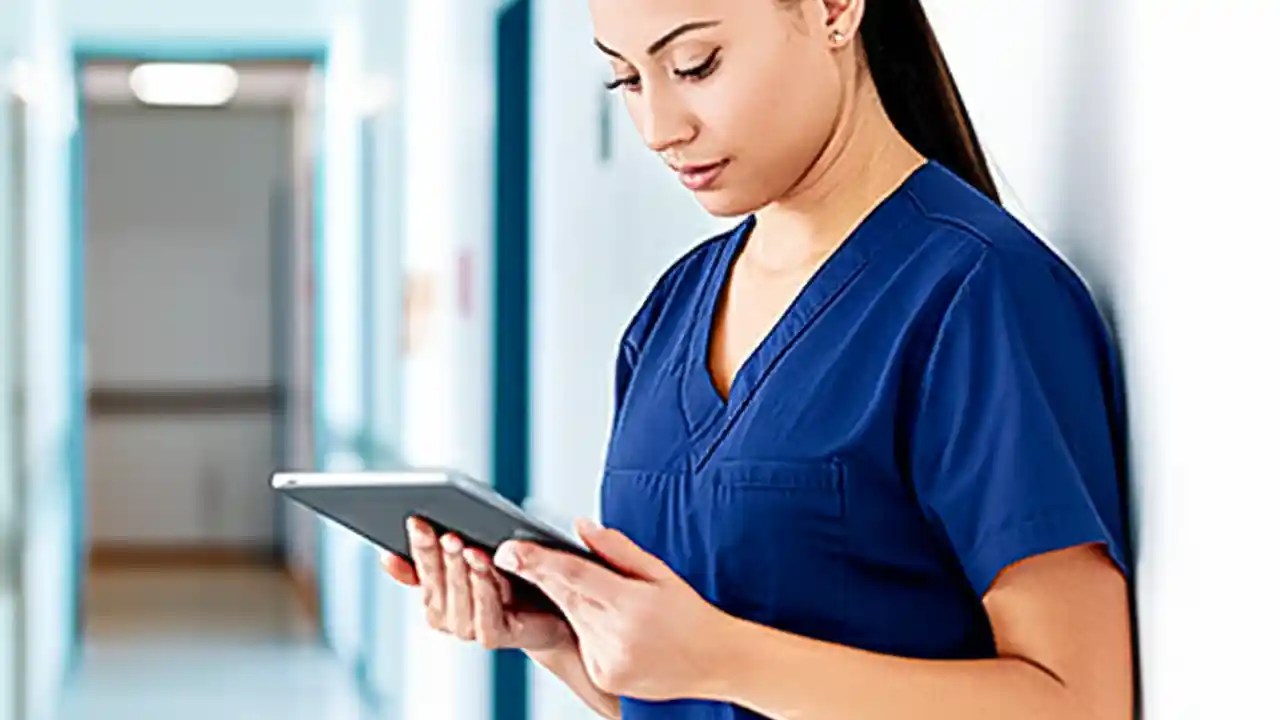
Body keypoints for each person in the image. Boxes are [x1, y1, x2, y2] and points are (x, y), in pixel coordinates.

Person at [381, 0, 1134, 717]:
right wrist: (561, 641)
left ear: (835, 9)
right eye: (627, 79)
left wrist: (719, 656)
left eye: (695, 65)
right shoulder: (670, 313)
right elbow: (690, 701)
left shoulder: (977, 294)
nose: (658, 128)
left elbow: (1078, 702)